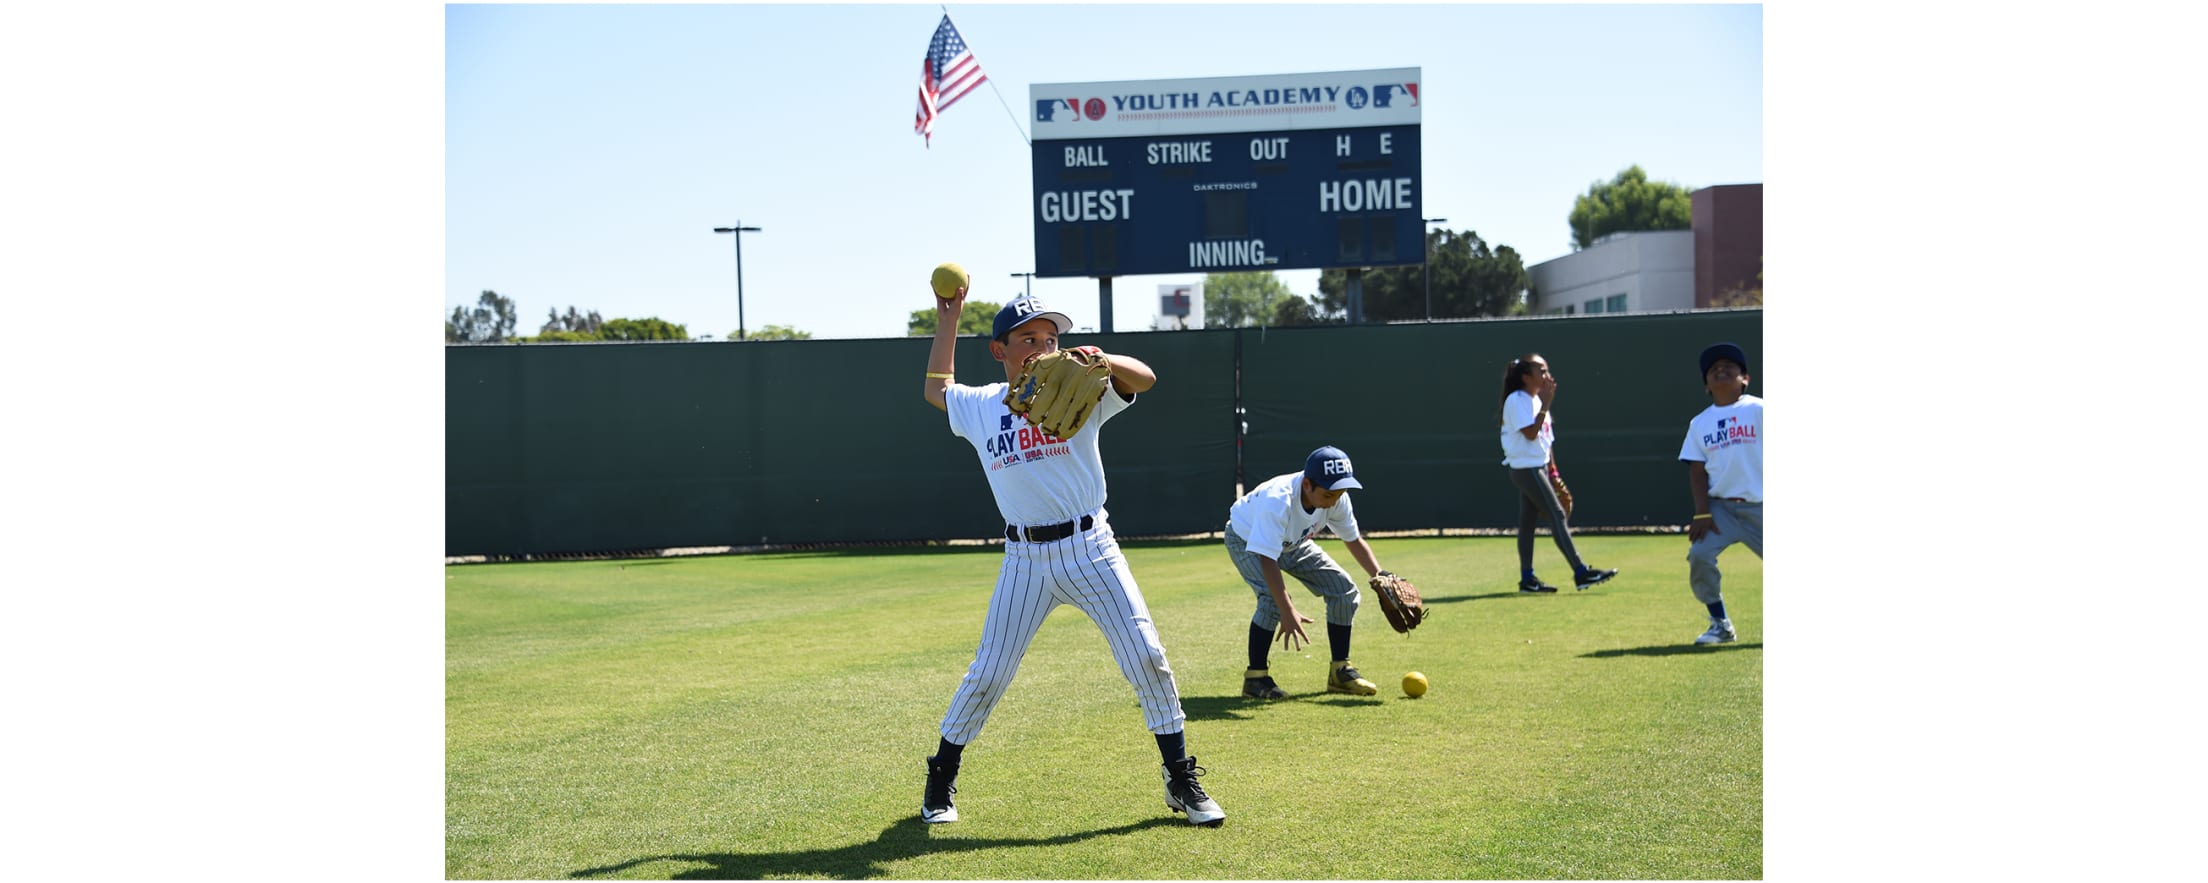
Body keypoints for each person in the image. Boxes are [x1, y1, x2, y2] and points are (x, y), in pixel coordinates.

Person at [915, 285, 1224, 827]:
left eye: (1050, 338)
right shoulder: (984, 406)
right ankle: (941, 775)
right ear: (999, 350)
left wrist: (1100, 358)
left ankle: (1179, 777)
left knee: (1147, 657)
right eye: (1028, 338)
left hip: (1091, 548)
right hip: (1024, 558)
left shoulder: (1084, 383)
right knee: (988, 674)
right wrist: (949, 318)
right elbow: (937, 389)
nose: (1042, 346)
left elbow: (1145, 378)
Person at [1223, 446, 1394, 699]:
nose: (1334, 500)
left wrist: (1380, 575)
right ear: (1307, 484)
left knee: (1344, 591)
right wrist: (1287, 609)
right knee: (1272, 600)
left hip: (1293, 543)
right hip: (1246, 539)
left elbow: (1353, 539)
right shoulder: (1277, 502)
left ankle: (1340, 672)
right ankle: (1255, 679)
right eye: (1328, 494)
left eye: (1340, 492)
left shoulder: (1336, 497)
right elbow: (1268, 559)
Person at [1497, 354, 1618, 593]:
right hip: (1526, 468)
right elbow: (1530, 434)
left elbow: (1546, 440)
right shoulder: (1517, 400)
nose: (1547, 375)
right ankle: (1581, 572)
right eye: (1541, 371)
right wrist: (1546, 404)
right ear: (1526, 377)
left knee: (1527, 523)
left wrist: (1553, 472)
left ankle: (1527, 579)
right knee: (1557, 514)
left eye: (1547, 370)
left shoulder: (1536, 400)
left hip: (1538, 467)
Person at [1678, 342, 1763, 645]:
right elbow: (1697, 470)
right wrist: (1702, 512)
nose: (1720, 370)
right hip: (1721, 509)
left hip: (1763, 505)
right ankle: (1720, 624)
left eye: (1729, 366)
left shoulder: (1760, 409)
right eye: (1713, 369)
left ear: (1745, 379)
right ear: (1707, 385)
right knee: (1699, 555)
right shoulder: (1699, 423)